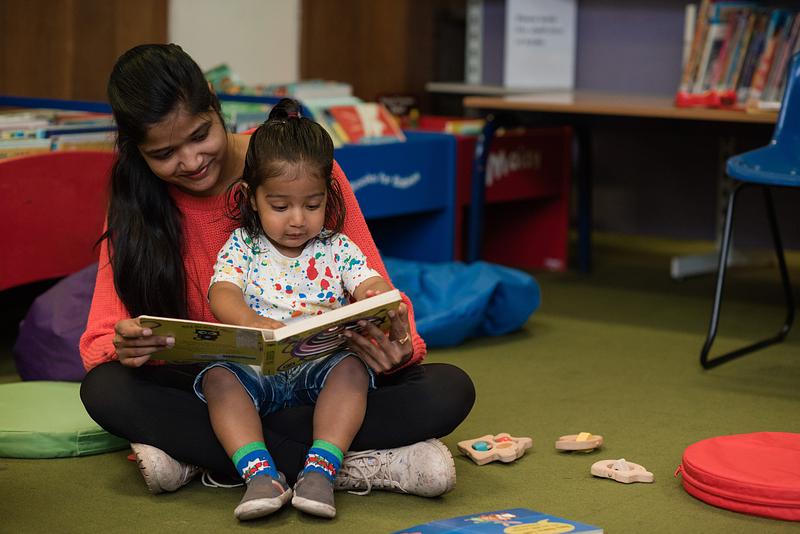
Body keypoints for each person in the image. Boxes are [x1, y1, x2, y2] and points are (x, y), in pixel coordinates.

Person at [79, 43, 475, 502]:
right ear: (138, 151)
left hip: (322, 377)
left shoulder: (295, 166)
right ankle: (345, 464)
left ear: (214, 101)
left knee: (448, 390)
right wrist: (130, 344)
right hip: (222, 386)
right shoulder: (134, 203)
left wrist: (395, 345)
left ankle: (209, 457)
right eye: (164, 153)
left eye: (199, 134)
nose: (189, 161)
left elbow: (377, 289)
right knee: (104, 390)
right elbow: (100, 340)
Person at [197, 99, 399, 520]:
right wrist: (252, 322)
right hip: (256, 367)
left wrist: (377, 296)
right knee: (216, 379)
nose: (297, 220)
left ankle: (320, 470)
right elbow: (222, 294)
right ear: (252, 198)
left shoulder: (336, 247)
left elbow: (369, 282)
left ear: (328, 195)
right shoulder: (244, 246)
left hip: (318, 368)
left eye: (312, 205)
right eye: (280, 205)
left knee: (352, 369)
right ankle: (260, 474)